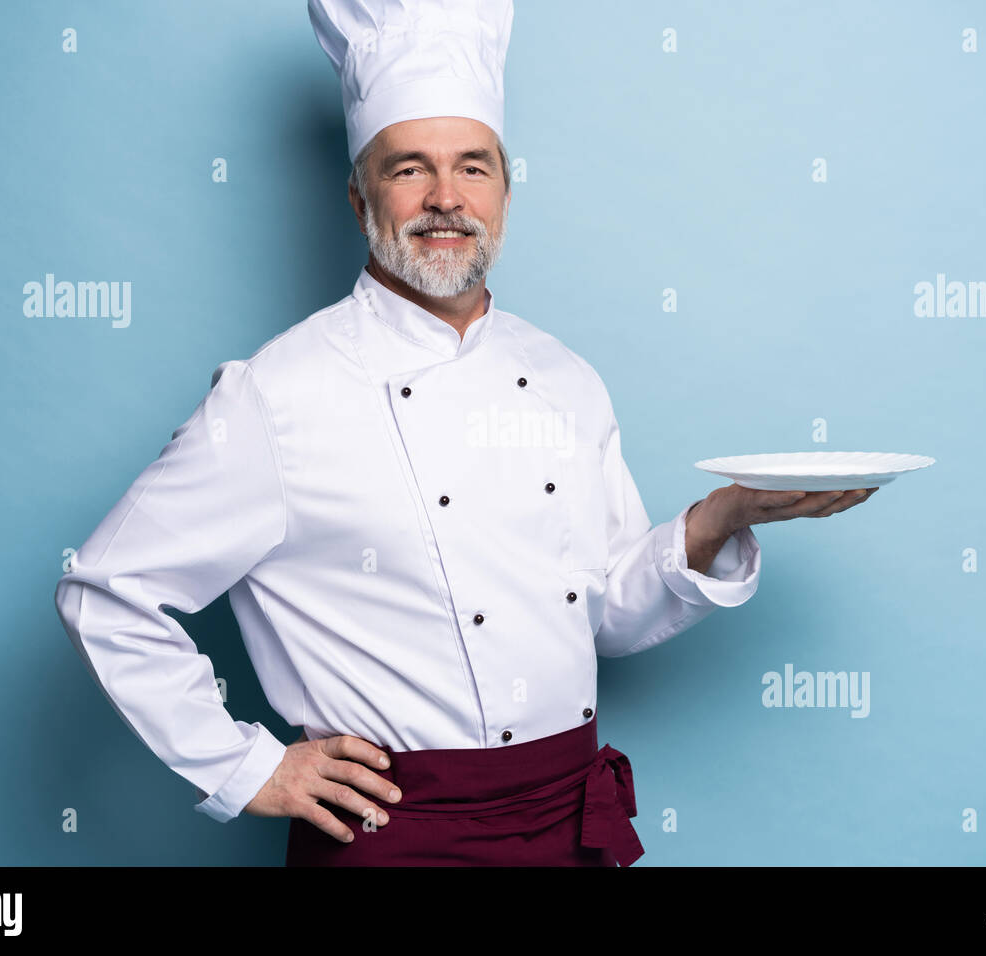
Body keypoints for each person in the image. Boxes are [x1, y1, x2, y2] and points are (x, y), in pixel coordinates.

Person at [53, 0, 876, 867]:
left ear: (506, 194)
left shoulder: (565, 378)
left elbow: (604, 616)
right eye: (409, 167)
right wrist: (246, 768)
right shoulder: (277, 395)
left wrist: (718, 521)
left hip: (570, 819)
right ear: (358, 192)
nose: (446, 198)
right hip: (396, 839)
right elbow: (106, 591)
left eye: (473, 167)